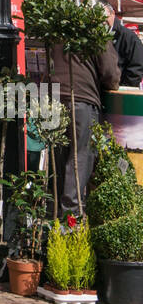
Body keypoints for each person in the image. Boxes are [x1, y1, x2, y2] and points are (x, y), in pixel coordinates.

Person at [42, 26, 120, 215]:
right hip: (81, 99)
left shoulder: (57, 31)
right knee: (80, 155)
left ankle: (55, 211)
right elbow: (111, 74)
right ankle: (71, 212)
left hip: (53, 97)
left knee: (58, 155)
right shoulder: (96, 32)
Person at [98, 2, 143, 88]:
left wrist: (122, 89)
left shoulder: (130, 38)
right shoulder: (96, 37)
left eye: (104, 17)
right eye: (99, 19)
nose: (102, 22)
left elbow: (136, 69)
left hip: (121, 92)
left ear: (113, 14)